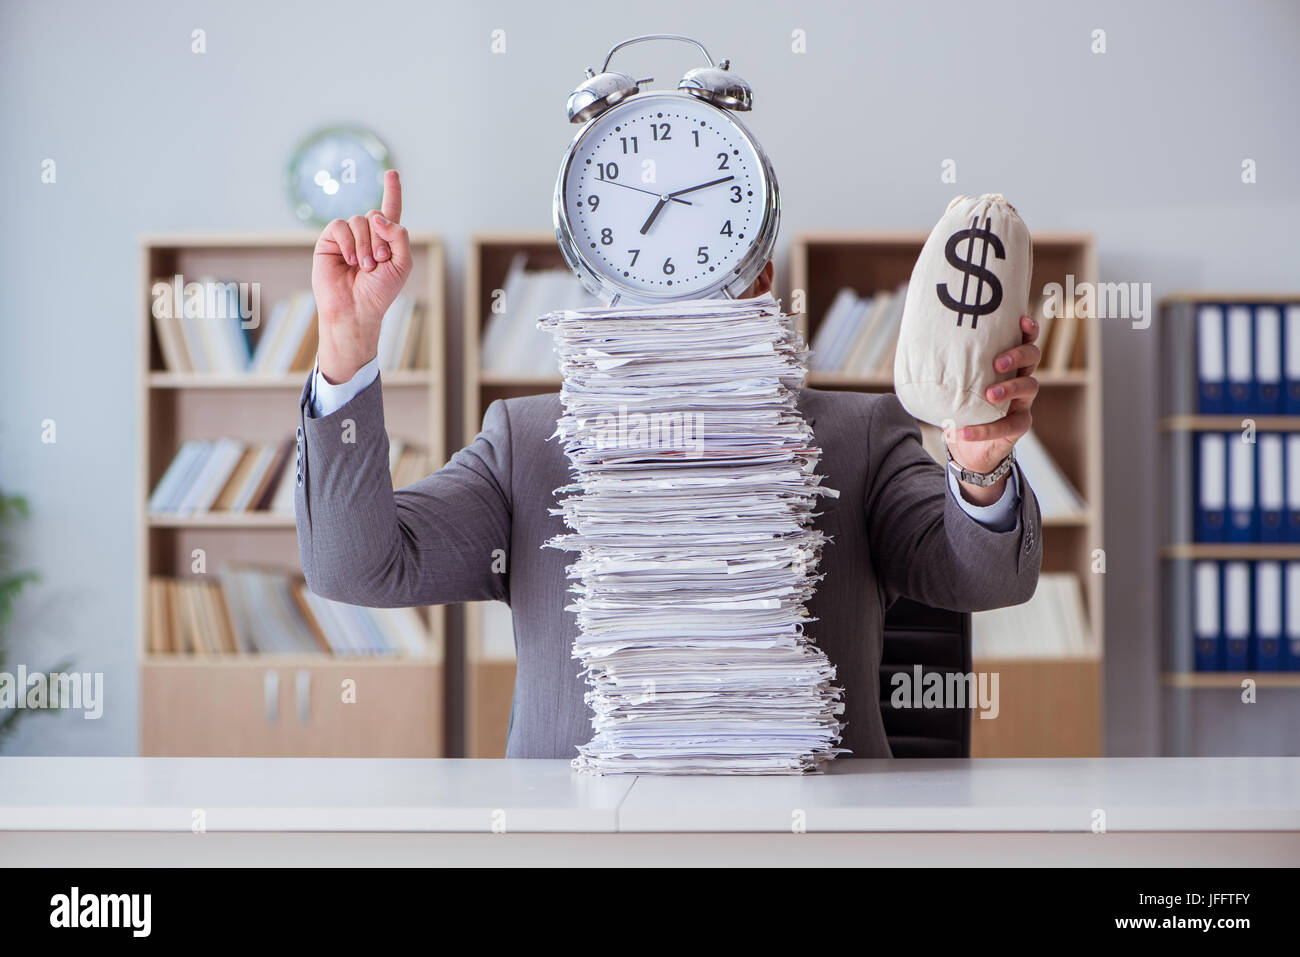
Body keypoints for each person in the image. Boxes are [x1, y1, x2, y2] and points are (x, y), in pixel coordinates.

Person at [294, 170, 1042, 758]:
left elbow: (983, 575)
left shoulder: (860, 432)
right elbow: (354, 567)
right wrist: (347, 348)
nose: (678, 310)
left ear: (761, 281)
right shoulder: (530, 440)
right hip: (583, 843)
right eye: (654, 282)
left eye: (705, 276)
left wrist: (978, 468)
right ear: (606, 287)